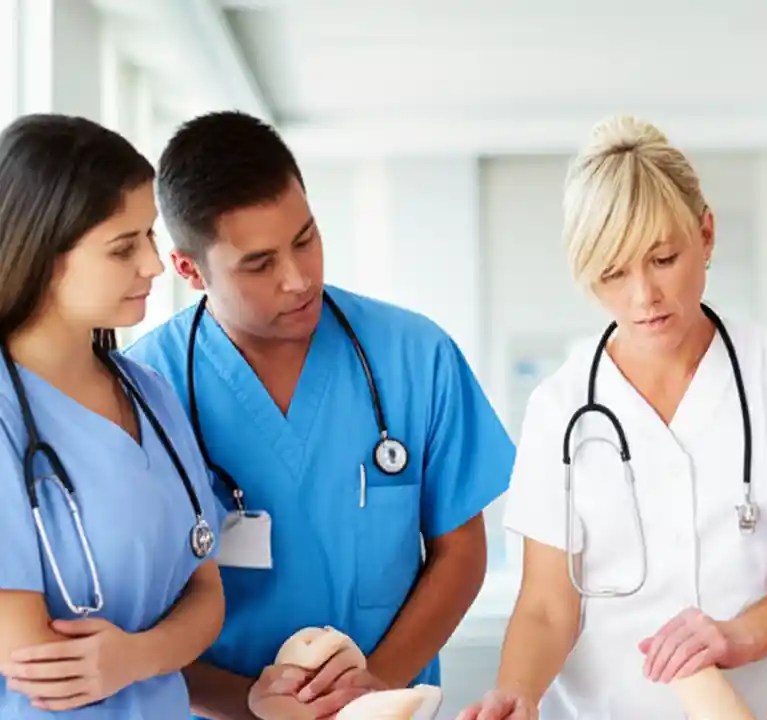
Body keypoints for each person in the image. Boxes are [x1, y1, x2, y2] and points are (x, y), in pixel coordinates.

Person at [457, 116, 767, 720]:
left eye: (663, 258)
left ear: (705, 233)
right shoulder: (560, 408)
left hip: (763, 704)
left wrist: (740, 635)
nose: (643, 295)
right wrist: (519, 691)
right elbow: (548, 603)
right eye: (613, 273)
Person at [125, 111, 514, 719]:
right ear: (188, 269)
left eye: (305, 239)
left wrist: (376, 683)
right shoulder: (144, 390)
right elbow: (136, 618)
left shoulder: (414, 356)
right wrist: (250, 705)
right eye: (258, 264)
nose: (298, 279)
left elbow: (461, 551)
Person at [0, 114, 225, 716]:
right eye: (124, 247)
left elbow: (207, 593)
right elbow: (37, 664)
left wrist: (136, 657)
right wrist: (156, 649)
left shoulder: (148, 392)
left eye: (149, 236)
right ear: (41, 253)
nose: (153, 264)